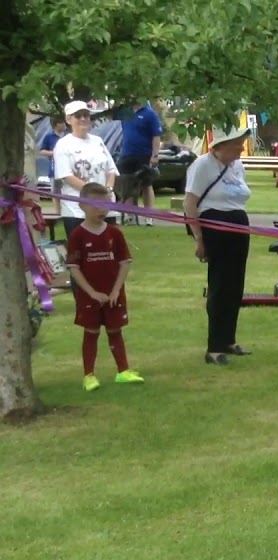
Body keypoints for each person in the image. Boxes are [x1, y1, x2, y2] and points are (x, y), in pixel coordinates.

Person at [65, 183, 145, 392]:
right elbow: (74, 267)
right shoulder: (77, 236)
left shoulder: (114, 233)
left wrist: (116, 290)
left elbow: (124, 262)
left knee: (115, 330)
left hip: (113, 294)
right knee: (91, 332)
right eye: (96, 205)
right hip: (89, 296)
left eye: (105, 205)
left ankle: (123, 371)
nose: (101, 210)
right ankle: (89, 375)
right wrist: (91, 293)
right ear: (82, 206)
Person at [184, 127, 254, 366]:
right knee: (220, 285)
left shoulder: (237, 166)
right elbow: (190, 203)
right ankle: (214, 346)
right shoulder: (203, 165)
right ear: (222, 145)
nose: (241, 148)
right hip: (215, 227)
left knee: (236, 285)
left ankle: (229, 339)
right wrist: (199, 239)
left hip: (238, 226)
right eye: (237, 144)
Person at [53, 101, 119, 236]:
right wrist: (94, 195)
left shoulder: (98, 141)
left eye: (86, 115)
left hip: (105, 207)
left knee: (108, 248)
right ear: (68, 120)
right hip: (77, 210)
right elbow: (66, 175)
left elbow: (111, 170)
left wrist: (107, 191)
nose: (83, 119)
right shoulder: (63, 144)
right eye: (78, 116)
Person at [115, 99, 165, 226]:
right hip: (126, 153)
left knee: (146, 185)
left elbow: (156, 135)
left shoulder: (150, 114)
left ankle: (149, 216)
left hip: (144, 154)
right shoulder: (125, 112)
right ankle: (130, 215)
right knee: (127, 185)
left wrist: (155, 154)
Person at [37, 117, 68, 218]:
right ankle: (57, 211)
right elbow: (42, 151)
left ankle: (67, 210)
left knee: (68, 189)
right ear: (56, 124)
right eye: (61, 122)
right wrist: (53, 153)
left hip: (69, 167)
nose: (64, 125)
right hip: (54, 167)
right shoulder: (49, 137)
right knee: (56, 190)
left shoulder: (68, 136)